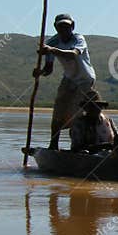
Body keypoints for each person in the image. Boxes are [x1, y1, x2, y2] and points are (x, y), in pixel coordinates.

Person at [33, 14, 98, 150]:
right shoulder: (52, 42)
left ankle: (77, 145)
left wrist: (52, 50)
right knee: (58, 110)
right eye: (61, 26)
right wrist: (40, 73)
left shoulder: (78, 39)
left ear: (72, 26)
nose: (64, 29)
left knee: (76, 111)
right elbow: (48, 69)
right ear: (56, 27)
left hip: (84, 79)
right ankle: (53, 144)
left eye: (67, 26)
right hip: (69, 78)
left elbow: (73, 54)